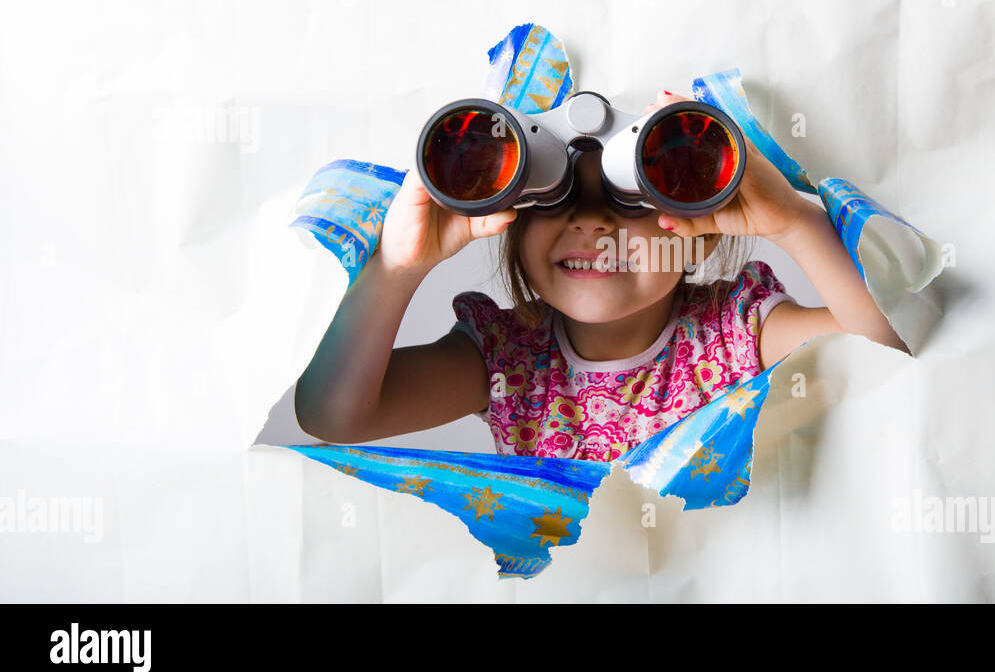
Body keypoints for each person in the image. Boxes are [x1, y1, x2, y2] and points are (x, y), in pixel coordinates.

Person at [295, 91, 908, 460]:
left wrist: (794, 223)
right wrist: (399, 268)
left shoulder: (738, 333)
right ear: (510, 225)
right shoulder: (507, 360)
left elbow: (894, 353)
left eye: (631, 203)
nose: (591, 226)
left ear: (697, 222)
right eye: (555, 202)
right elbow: (333, 416)